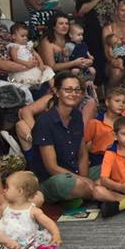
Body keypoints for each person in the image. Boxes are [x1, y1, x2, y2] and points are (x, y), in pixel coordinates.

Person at [32, 72, 101, 205]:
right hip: (54, 179)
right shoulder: (45, 121)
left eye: (77, 90)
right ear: (57, 92)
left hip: (76, 173)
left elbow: (82, 154)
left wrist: (84, 178)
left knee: (111, 167)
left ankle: (83, 194)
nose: (73, 94)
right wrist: (84, 181)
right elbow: (51, 167)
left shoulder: (76, 116)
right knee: (65, 183)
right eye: (68, 90)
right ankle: (104, 194)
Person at [0, 171, 61, 249]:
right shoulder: (4, 207)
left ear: (20, 191)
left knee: (43, 238)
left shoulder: (32, 210)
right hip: (7, 241)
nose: (4, 190)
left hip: (27, 240)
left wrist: (56, 235)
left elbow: (48, 223)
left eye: (7, 187)